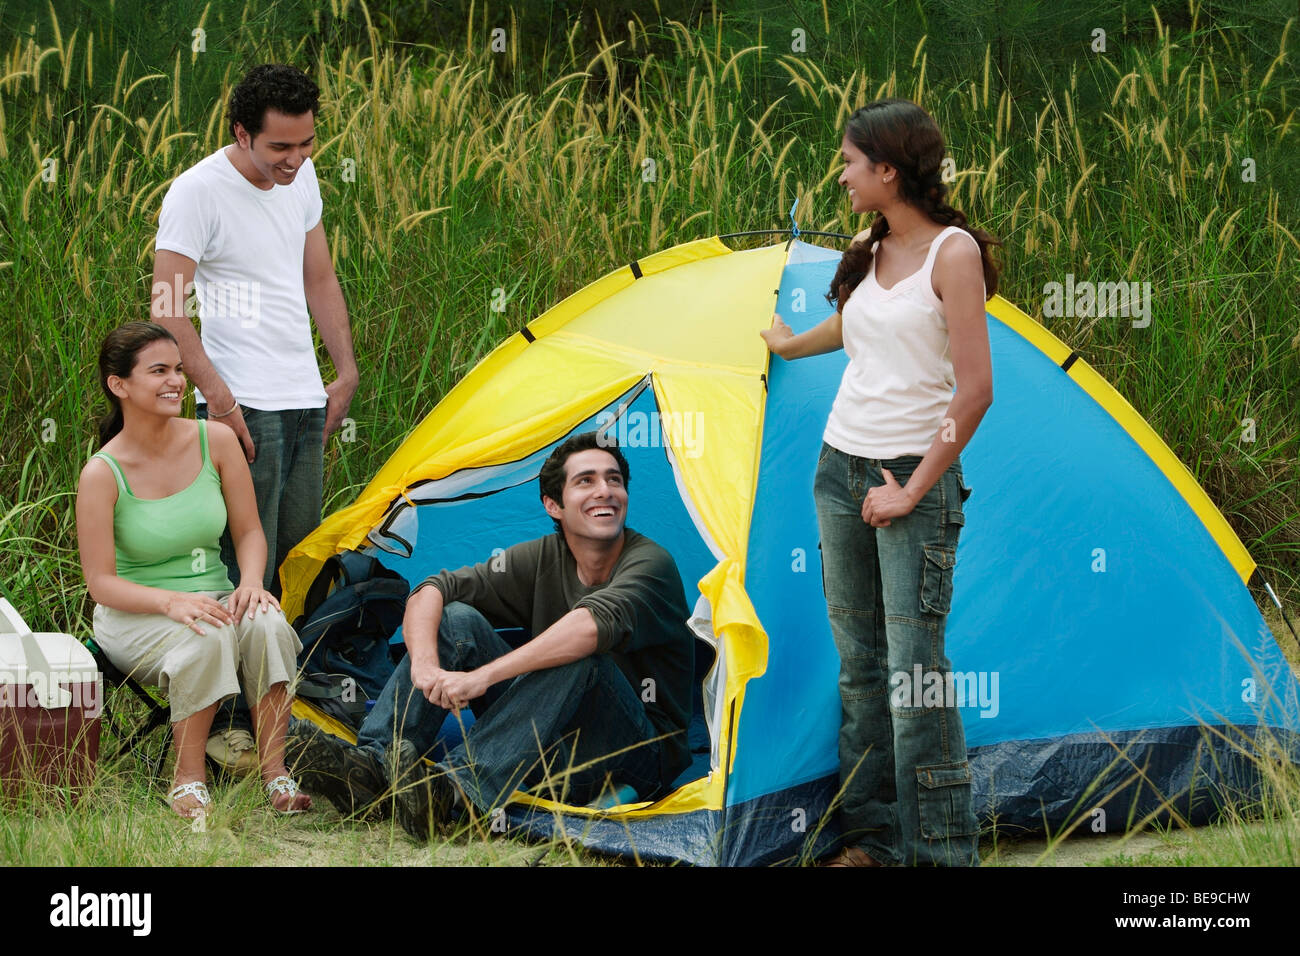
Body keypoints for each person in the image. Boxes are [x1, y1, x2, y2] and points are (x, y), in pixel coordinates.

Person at [761, 99, 998, 866]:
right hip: (838, 470)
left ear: (888, 170)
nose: (841, 175)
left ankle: (939, 852)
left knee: (913, 673)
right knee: (861, 667)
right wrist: (794, 346)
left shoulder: (951, 254)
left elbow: (973, 392)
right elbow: (859, 323)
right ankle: (870, 841)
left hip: (911, 480)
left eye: (850, 162)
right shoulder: (871, 241)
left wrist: (912, 490)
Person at [294, 432, 696, 840]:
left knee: (581, 656)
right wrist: (424, 666)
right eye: (586, 481)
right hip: (546, 742)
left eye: (614, 480)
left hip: (633, 757)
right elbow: (432, 589)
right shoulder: (542, 557)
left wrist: (481, 678)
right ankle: (372, 770)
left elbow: (588, 628)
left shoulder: (651, 565)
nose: (605, 491)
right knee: (457, 620)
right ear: (553, 505)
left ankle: (456, 793)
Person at [150, 63, 358, 771]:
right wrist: (224, 402)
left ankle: (287, 717)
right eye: (280, 149)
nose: (296, 161)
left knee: (296, 560)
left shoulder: (302, 183)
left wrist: (345, 371)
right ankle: (228, 728)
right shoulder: (197, 192)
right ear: (242, 132)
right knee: (247, 564)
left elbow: (319, 277)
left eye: (306, 146)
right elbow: (167, 311)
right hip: (241, 406)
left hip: (302, 398)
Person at [76, 322, 311, 818]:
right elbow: (100, 583)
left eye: (179, 370)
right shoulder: (103, 472)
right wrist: (171, 602)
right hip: (135, 612)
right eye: (158, 371)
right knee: (206, 633)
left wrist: (250, 583)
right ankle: (186, 781)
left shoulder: (215, 441)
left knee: (267, 623)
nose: (176, 382)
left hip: (215, 598)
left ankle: (275, 774)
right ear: (119, 385)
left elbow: (249, 533)